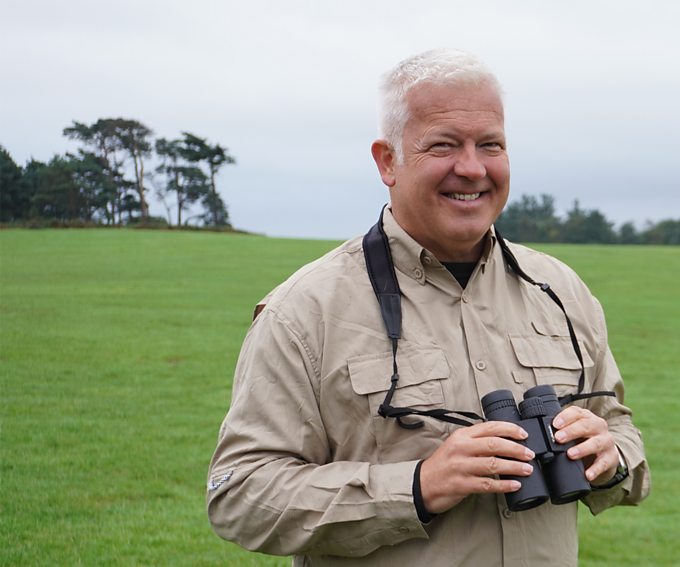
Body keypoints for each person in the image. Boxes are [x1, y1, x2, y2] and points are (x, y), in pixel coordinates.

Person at [207, 48, 650, 566]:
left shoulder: (560, 290)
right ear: (387, 160)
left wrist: (611, 456)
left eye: (491, 145)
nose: (471, 168)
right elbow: (238, 494)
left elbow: (621, 433)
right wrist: (417, 486)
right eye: (443, 146)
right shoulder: (306, 310)